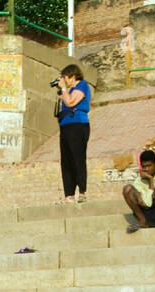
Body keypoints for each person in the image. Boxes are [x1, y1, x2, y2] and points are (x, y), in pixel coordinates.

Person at [55, 64, 91, 205]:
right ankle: (68, 194)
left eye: (65, 77)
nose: (63, 80)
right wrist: (62, 91)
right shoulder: (67, 91)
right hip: (65, 126)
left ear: (72, 75)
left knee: (78, 157)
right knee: (66, 161)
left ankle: (82, 192)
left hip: (78, 125)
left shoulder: (82, 85)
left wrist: (64, 89)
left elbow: (70, 102)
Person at [123, 149, 155, 233]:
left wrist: (151, 180)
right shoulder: (138, 181)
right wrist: (151, 181)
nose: (146, 169)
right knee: (127, 189)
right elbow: (147, 203)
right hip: (147, 214)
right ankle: (142, 221)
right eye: (144, 167)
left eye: (149, 166)